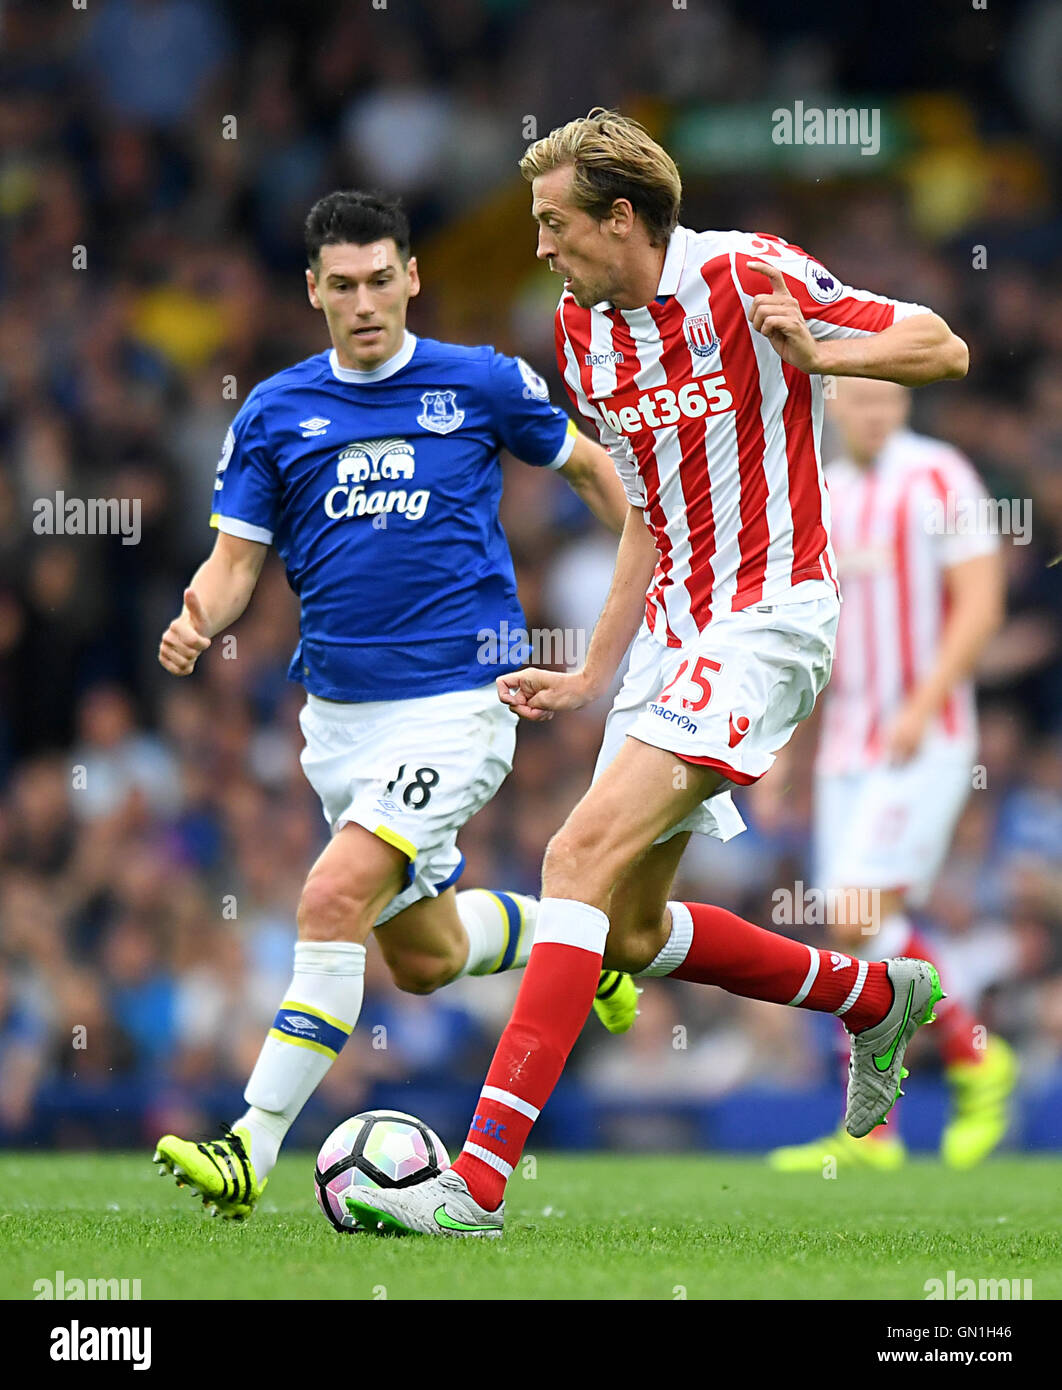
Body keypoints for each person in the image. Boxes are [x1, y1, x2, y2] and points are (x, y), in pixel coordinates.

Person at [345, 110, 970, 1239]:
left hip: (771, 617)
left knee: (572, 855)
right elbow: (646, 509)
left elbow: (940, 343)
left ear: (621, 216)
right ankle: (874, 998)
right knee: (629, 930)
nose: (539, 246)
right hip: (672, 634)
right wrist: (592, 669)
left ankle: (477, 1184)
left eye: (554, 222)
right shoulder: (583, 329)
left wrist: (827, 354)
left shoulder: (746, 271)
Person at [153, 190, 634, 1219]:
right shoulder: (276, 412)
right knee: (425, 958)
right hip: (337, 724)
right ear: (314, 291)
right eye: (344, 285)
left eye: (382, 279)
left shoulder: (481, 381)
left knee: (330, 899)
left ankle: (249, 1146)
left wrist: (657, 571)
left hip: (460, 704)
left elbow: (591, 466)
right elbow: (236, 562)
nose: (365, 302)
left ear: (412, 276)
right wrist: (199, 617)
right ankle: (572, 941)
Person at [768, 377, 1015, 1173]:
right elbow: (815, 639)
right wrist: (787, 758)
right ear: (834, 401)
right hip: (846, 744)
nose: (876, 414)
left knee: (853, 914)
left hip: (926, 737)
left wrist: (924, 702)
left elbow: (981, 605)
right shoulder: (827, 491)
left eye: (890, 401)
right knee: (863, 938)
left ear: (905, 404)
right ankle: (879, 1129)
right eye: (862, 401)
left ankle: (977, 1057)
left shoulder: (941, 476)